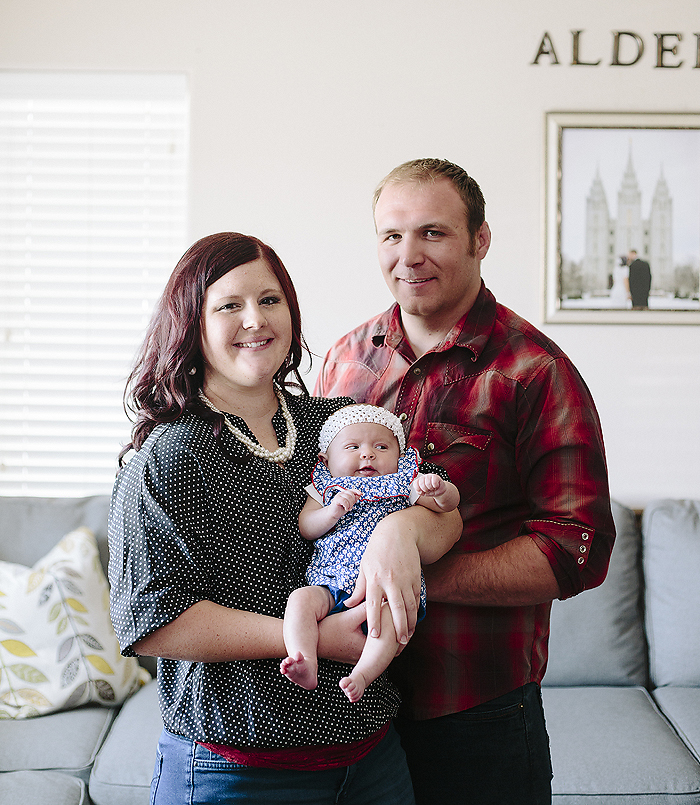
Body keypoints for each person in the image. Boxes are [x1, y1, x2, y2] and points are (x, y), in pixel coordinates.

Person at [108, 232, 461, 805]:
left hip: (372, 756)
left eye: (270, 301)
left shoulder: (340, 426)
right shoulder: (172, 456)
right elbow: (150, 624)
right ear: (190, 324)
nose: (255, 319)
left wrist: (403, 530)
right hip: (236, 772)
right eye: (229, 306)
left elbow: (447, 519)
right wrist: (310, 640)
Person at [315, 159, 616, 805]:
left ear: (480, 240)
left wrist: (411, 575)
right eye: (391, 236)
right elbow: (307, 505)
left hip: (478, 717)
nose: (408, 255)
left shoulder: (536, 371)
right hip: (350, 713)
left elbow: (577, 548)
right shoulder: (343, 361)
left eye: (433, 233)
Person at [281, 404, 460, 703]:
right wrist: (332, 512)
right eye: (353, 447)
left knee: (390, 622)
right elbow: (306, 526)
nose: (367, 454)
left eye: (381, 446)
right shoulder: (325, 487)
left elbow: (448, 509)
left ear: (399, 455)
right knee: (299, 600)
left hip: (389, 586)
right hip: (331, 580)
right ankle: (304, 659)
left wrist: (440, 491)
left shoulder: (403, 482)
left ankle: (363, 673)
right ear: (325, 459)